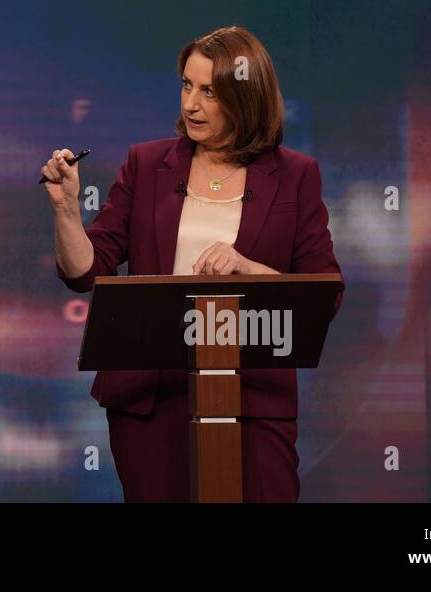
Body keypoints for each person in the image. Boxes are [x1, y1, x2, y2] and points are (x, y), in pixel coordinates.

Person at [41, 25, 343, 502]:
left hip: (253, 398)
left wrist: (247, 268)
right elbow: (85, 272)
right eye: (186, 85)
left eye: (209, 91)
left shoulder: (295, 176)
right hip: (151, 399)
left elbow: (323, 292)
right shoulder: (146, 164)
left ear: (246, 97)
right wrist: (64, 208)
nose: (190, 104)